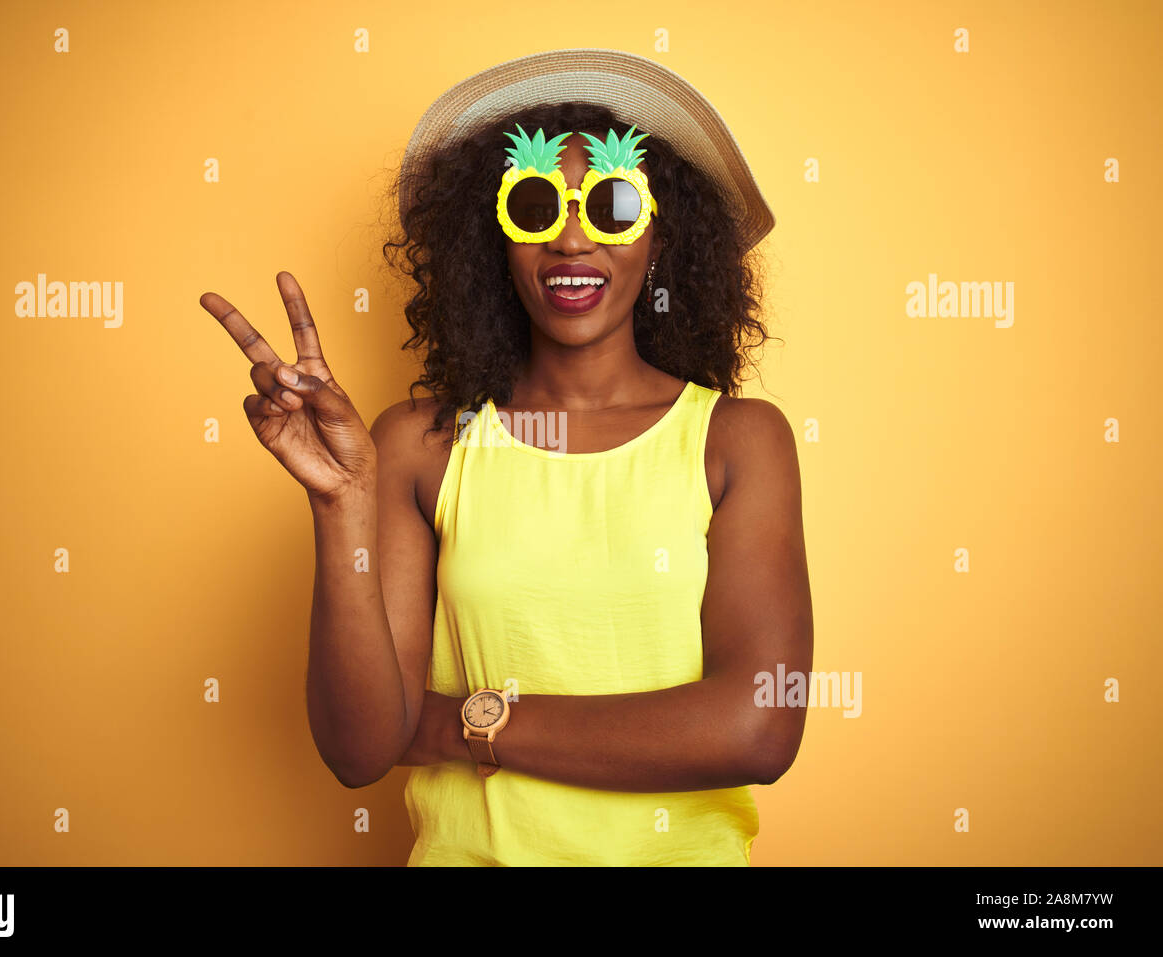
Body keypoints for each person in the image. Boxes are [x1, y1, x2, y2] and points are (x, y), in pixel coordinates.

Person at [198, 49, 813, 866]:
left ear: (662, 240)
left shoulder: (738, 442)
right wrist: (342, 502)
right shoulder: (418, 447)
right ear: (496, 236)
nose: (570, 238)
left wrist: (464, 722)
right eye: (533, 205)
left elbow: (760, 725)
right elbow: (362, 749)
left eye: (613, 204)